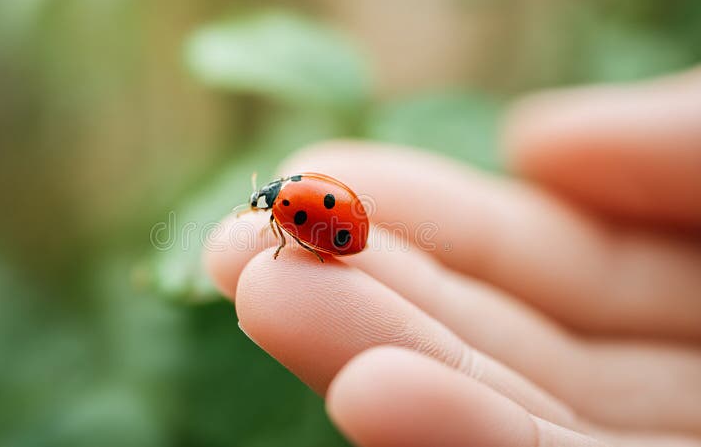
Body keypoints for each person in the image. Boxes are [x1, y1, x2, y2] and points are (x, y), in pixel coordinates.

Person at [204, 68, 701, 447]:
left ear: (267, 201)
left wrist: (296, 243)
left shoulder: (285, 206)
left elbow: (294, 226)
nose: (263, 208)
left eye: (261, 204)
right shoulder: (291, 196)